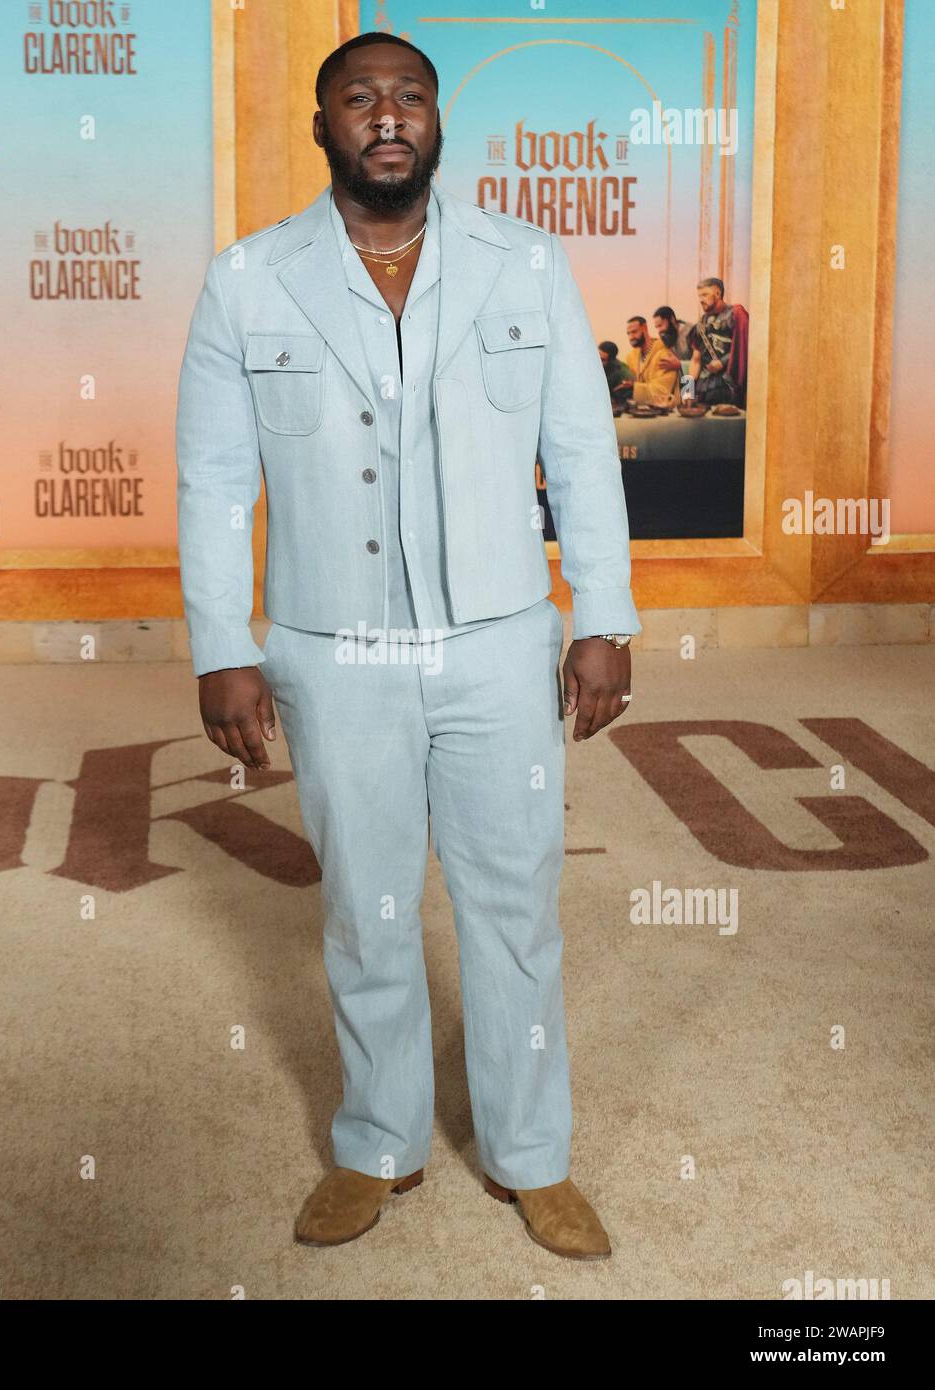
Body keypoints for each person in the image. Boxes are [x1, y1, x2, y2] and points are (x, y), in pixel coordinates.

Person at [175, 31, 640, 1260]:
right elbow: (216, 479)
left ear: (437, 122)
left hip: (496, 640)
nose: (387, 116)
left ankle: (531, 1153)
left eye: (409, 97)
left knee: (512, 907)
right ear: (322, 125)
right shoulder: (247, 280)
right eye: (359, 99)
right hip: (331, 650)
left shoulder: (526, 266)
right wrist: (223, 642)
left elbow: (581, 452)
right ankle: (375, 1140)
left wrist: (602, 613)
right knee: (366, 911)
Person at [688, 277, 749, 406]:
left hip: (728, 387)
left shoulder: (736, 314)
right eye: (699, 296)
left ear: (717, 293)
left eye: (705, 295)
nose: (701, 300)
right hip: (703, 389)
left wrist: (722, 362)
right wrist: (687, 391)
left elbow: (743, 348)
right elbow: (695, 360)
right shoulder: (700, 324)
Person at [622, 315, 679, 405]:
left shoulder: (664, 355)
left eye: (634, 332)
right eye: (628, 333)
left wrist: (634, 388)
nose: (631, 337)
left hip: (665, 411)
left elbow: (663, 391)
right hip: (640, 409)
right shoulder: (631, 357)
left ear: (645, 328)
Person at [652, 305, 694, 374]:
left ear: (672, 319)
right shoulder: (665, 336)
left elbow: (702, 363)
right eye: (657, 327)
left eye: (660, 325)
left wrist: (680, 365)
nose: (659, 330)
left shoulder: (691, 331)